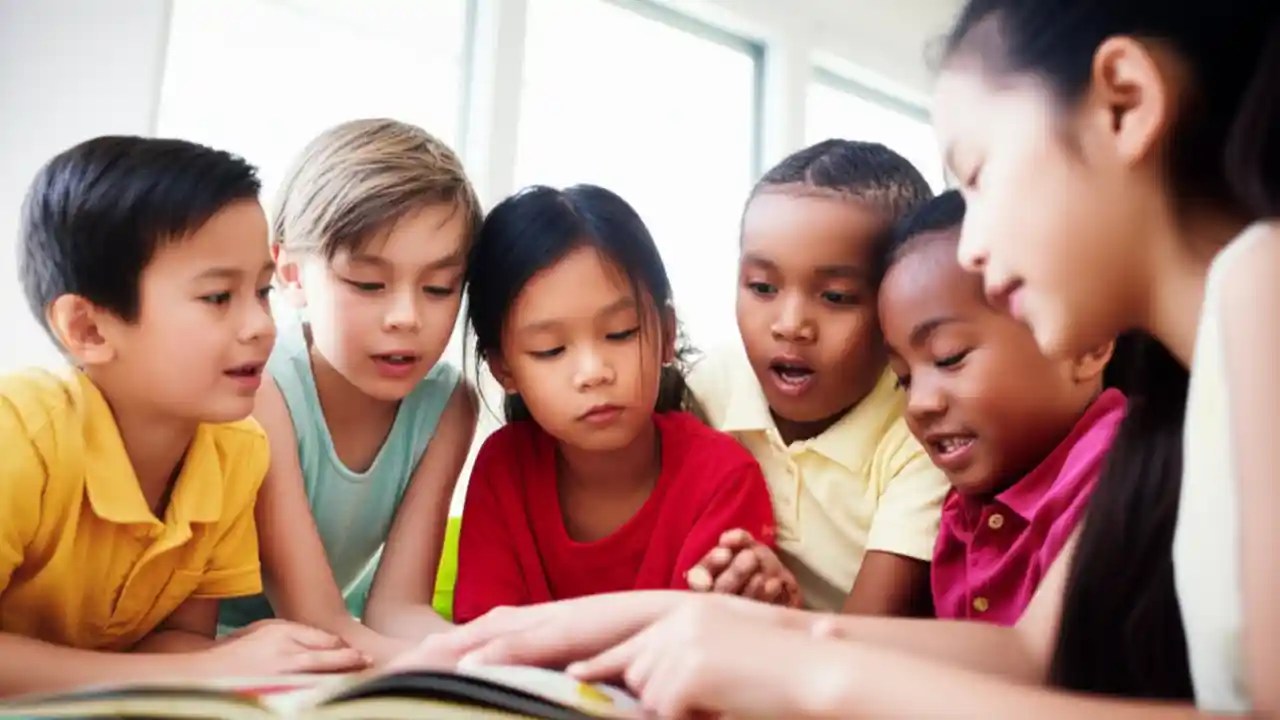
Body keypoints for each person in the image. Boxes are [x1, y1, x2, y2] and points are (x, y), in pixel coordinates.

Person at [397, 0, 1280, 716]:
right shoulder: (1174, 389)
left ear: (1123, 101)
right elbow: (1030, 654)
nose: (966, 249)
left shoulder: (1263, 287)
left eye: (976, 175)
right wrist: (672, 618)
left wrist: (810, 677)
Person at [0, 136, 366, 697]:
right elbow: (172, 666)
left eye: (263, 291)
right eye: (218, 297)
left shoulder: (235, 453)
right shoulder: (20, 434)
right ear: (88, 329)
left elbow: (174, 637)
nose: (261, 326)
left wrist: (243, 655)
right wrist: (195, 668)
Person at [217, 119, 482, 662]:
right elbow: (317, 618)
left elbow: (397, 608)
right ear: (290, 273)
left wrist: (514, 659)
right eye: (368, 284)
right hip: (221, 648)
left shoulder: (448, 403)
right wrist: (470, 665)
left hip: (329, 647)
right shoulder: (264, 386)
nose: (406, 317)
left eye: (438, 288)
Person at [451, 185, 776, 623]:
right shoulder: (504, 467)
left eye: (620, 333)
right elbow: (482, 634)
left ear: (665, 333)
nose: (593, 372)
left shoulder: (723, 479)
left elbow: (704, 646)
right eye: (550, 349)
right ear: (503, 369)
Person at [686, 140, 948, 614]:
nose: (789, 324)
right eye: (762, 288)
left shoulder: (923, 428)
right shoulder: (711, 386)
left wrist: (787, 615)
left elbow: (867, 636)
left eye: (835, 297)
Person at [878, 190, 1121, 625]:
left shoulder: (1119, 475)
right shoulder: (961, 513)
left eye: (949, 357)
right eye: (903, 379)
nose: (918, 403)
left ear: (1088, 344)